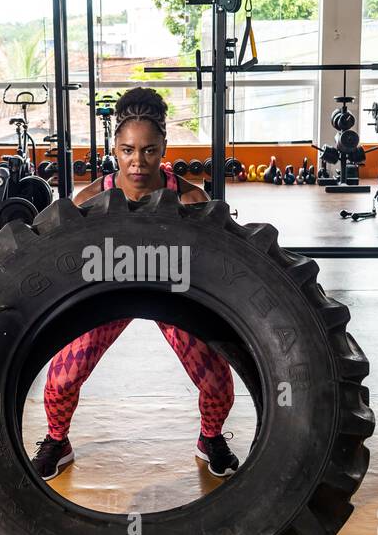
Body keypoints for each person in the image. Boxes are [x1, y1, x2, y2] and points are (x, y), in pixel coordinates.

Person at [30, 87, 241, 481]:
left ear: (164, 148)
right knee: (60, 379)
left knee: (218, 383)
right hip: (109, 296)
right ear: (115, 148)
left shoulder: (191, 198)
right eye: (128, 150)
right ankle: (57, 440)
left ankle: (210, 438)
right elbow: (66, 261)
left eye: (148, 150)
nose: (137, 162)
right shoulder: (92, 198)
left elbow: (215, 264)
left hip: (173, 296)